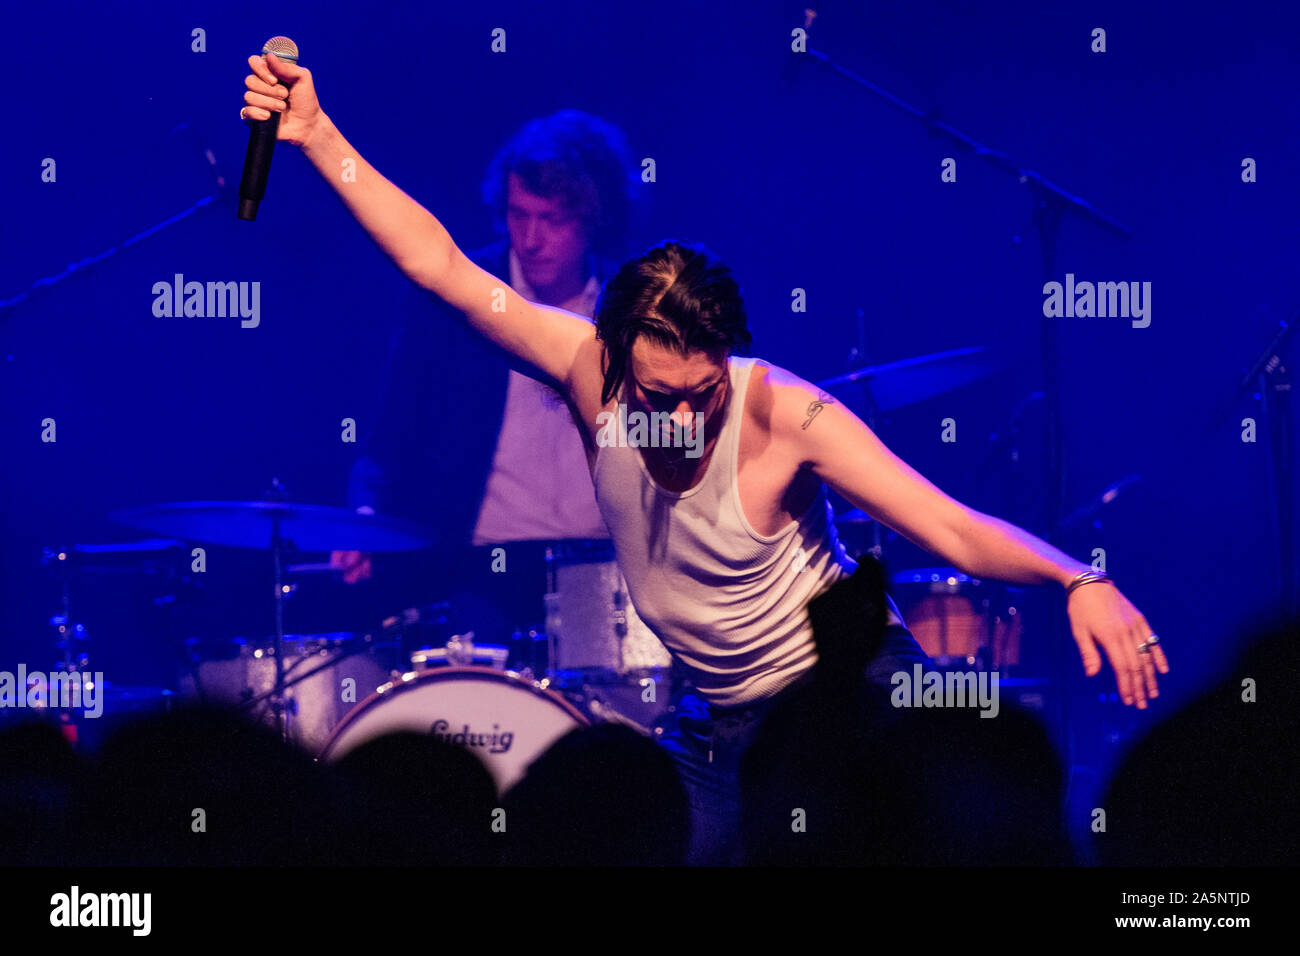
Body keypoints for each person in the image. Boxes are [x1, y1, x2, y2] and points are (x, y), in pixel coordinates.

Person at [239, 52, 1171, 863]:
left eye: (700, 397)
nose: (681, 420)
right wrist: (317, 135)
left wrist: (1076, 579)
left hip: (839, 693)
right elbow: (439, 264)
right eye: (657, 400)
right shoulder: (581, 364)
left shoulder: (788, 412)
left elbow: (951, 526)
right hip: (719, 721)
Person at [328, 110, 639, 646]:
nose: (532, 238)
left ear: (594, 218)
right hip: (481, 570)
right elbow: (389, 439)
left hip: (609, 564)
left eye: (554, 220)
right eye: (519, 215)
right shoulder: (455, 300)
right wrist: (365, 516)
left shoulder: (633, 306)